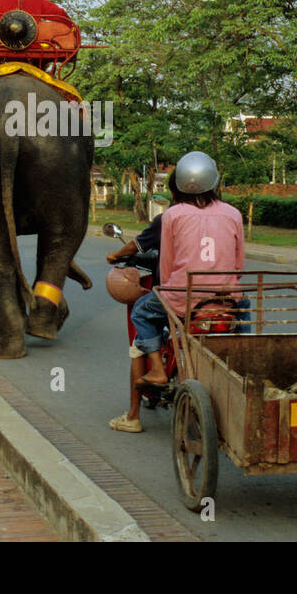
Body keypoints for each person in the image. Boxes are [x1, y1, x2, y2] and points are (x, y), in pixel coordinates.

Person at [109, 151, 247, 434]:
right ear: (214, 181)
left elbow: (168, 264)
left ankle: (158, 370)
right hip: (226, 296)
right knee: (242, 311)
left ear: (177, 187)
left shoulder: (172, 215)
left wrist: (165, 289)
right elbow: (238, 263)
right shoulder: (233, 214)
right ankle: (244, 365)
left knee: (142, 312)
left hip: (184, 296)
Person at [107, 170, 182, 434]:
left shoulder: (170, 218)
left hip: (178, 295)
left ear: (174, 192)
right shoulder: (227, 215)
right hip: (222, 296)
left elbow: (135, 246)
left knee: (141, 320)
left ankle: (133, 415)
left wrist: (116, 254)